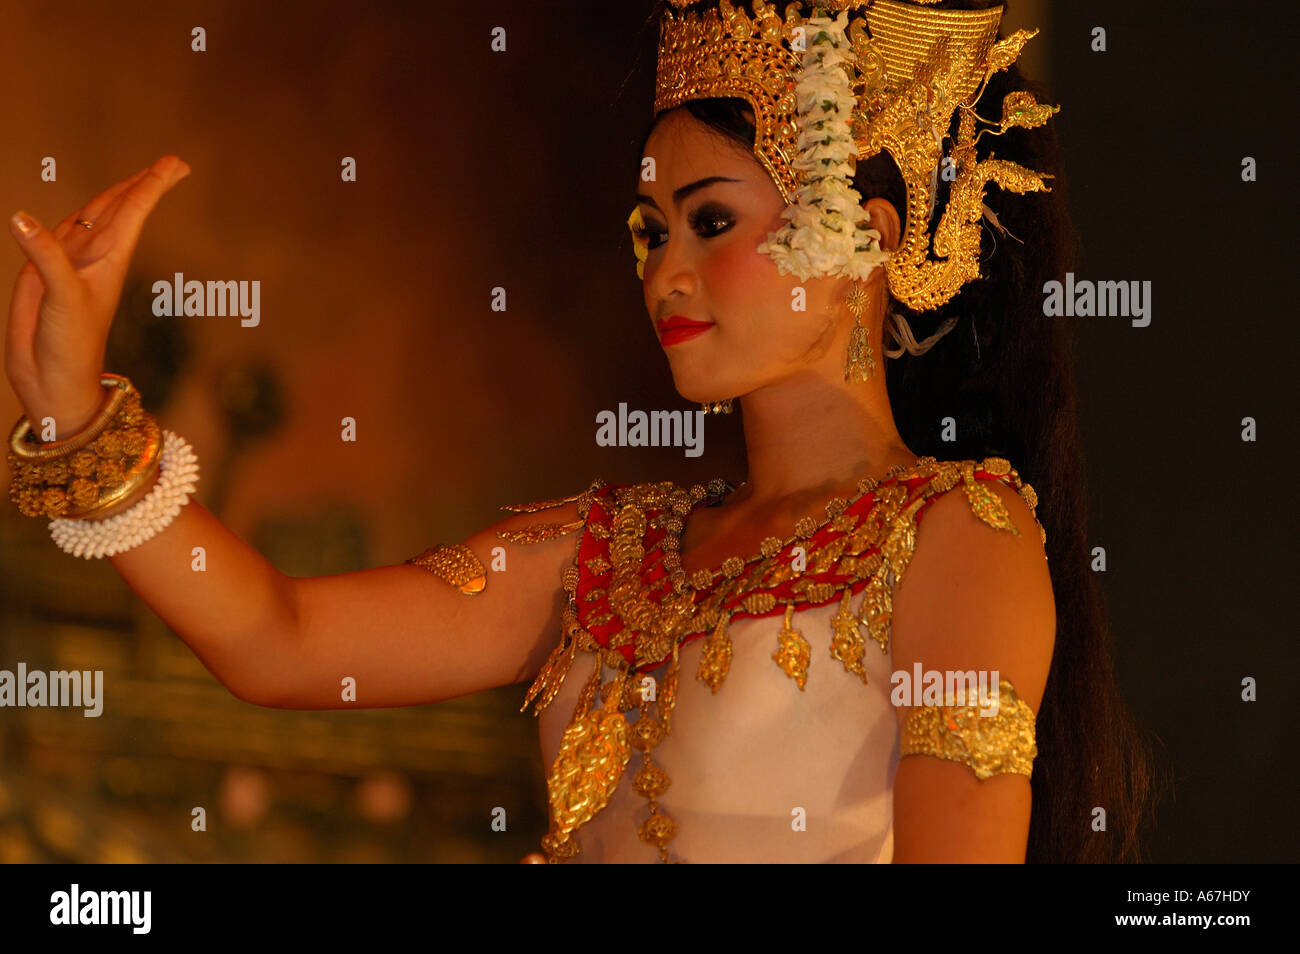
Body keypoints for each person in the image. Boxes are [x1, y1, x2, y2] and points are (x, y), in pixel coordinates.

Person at [4, 0, 1153, 864]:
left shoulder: (962, 535)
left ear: (868, 232)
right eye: (649, 231)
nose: (667, 271)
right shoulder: (601, 558)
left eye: (711, 221)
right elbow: (279, 637)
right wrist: (77, 419)